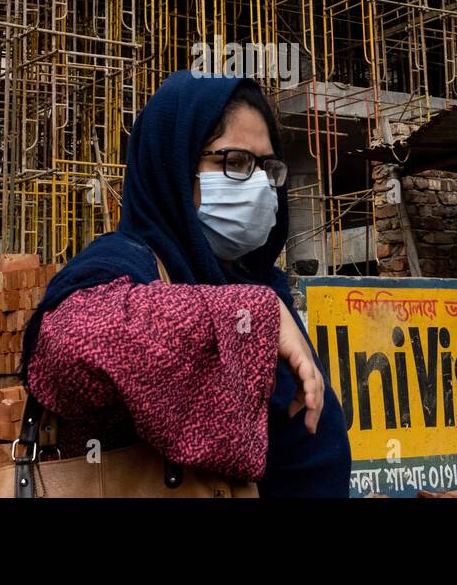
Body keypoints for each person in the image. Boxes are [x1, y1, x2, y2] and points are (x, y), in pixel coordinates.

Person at [19, 71, 352, 497]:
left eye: (268, 167)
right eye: (234, 163)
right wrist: (245, 315)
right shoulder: (123, 262)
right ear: (173, 165)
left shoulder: (258, 281)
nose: (259, 184)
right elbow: (65, 349)